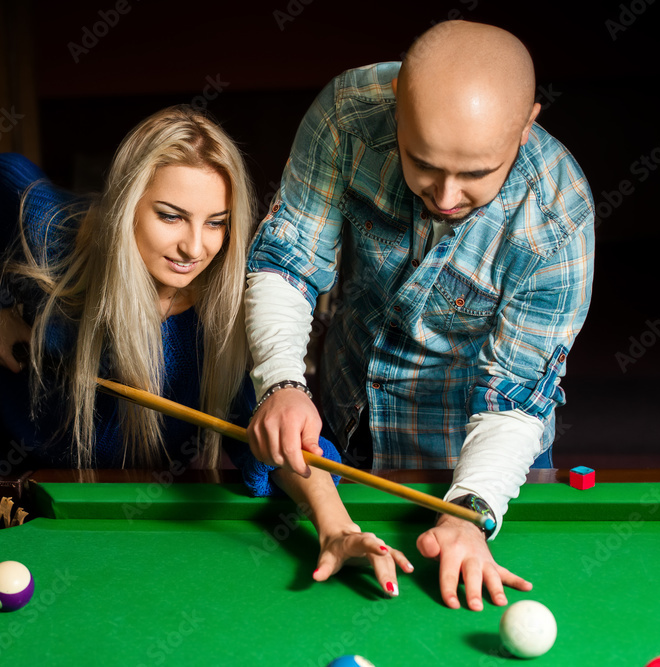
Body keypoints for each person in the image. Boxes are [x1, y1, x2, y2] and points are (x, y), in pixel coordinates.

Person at [0, 105, 414, 595]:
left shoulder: (223, 323)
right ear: (126, 205)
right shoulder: (58, 234)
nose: (194, 248)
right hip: (16, 469)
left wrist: (337, 528)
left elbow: (281, 440)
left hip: (145, 498)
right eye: (171, 216)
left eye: (216, 223)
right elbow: (1, 174)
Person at [245, 21, 595, 611]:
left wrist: (470, 512)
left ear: (527, 125)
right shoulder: (348, 116)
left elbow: (516, 394)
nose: (446, 195)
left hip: (484, 451)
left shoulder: (558, 219)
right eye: (423, 162)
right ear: (397, 105)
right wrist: (281, 383)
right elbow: (287, 262)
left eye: (476, 174)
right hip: (350, 416)